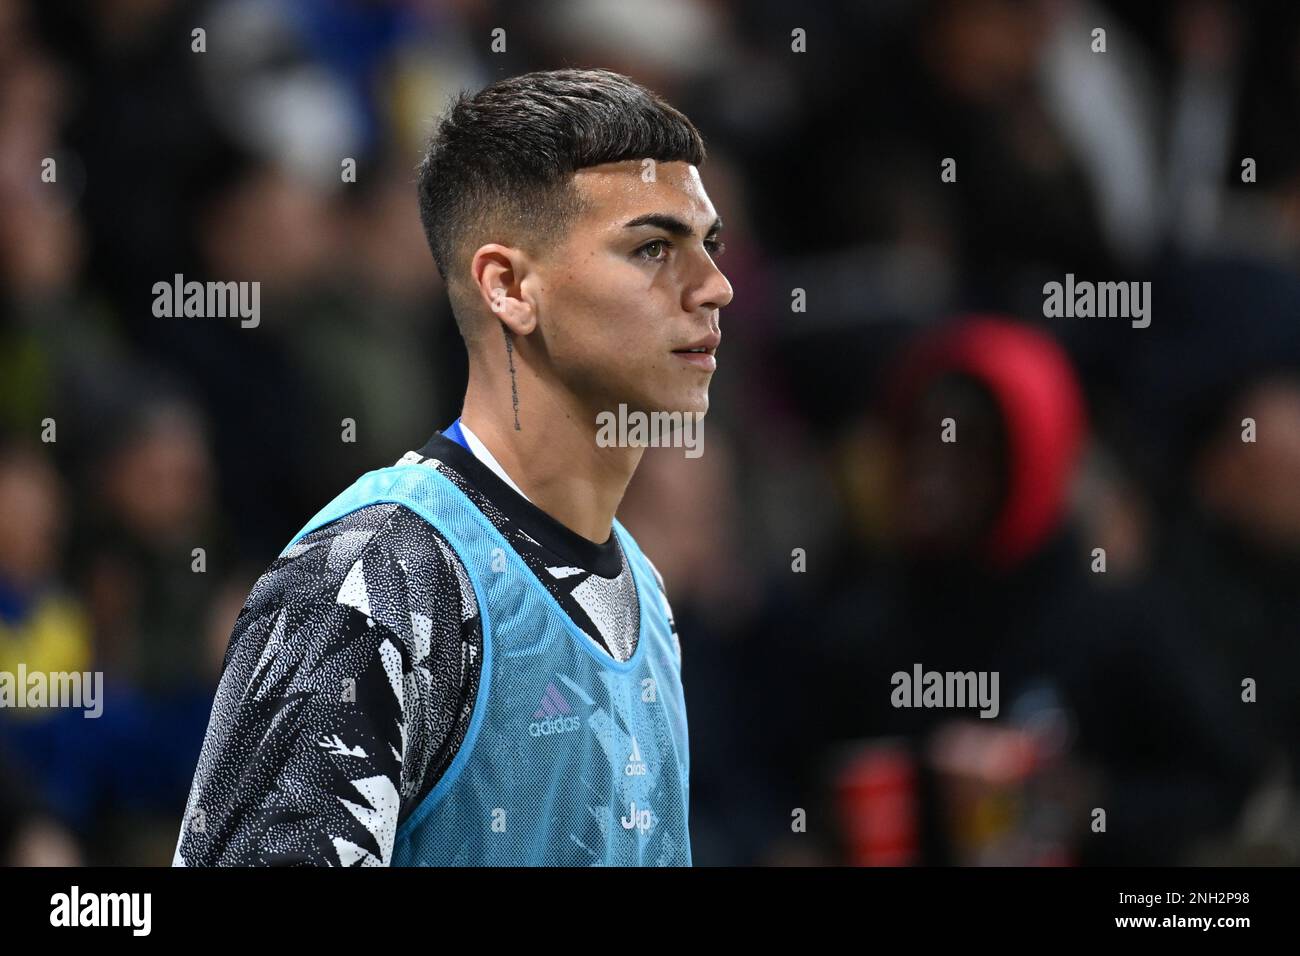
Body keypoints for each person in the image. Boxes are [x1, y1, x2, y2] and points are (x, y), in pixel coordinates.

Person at [173, 68, 732, 866]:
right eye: (653, 248)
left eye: (707, 245)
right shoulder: (373, 581)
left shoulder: (641, 589)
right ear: (507, 287)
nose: (715, 287)